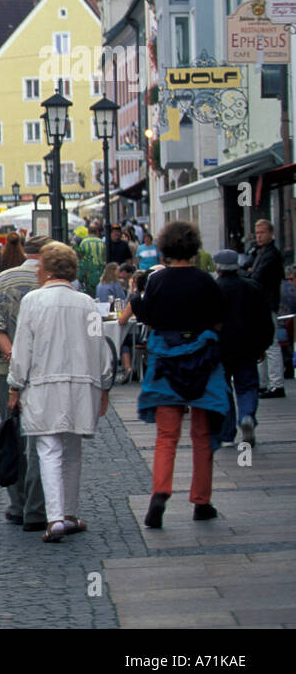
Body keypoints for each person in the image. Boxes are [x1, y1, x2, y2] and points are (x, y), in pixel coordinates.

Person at [6, 243, 109, 543]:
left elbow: (22, 347)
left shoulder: (33, 301)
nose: (37, 272)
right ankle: (70, 513)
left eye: (39, 267)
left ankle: (54, 519)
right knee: (72, 450)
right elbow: (99, 346)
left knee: (49, 450)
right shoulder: (87, 303)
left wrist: (15, 385)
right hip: (80, 384)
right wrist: (104, 385)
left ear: (48, 270)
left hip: (44, 384)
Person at [133, 221, 229, 528]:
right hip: (202, 362)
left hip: (166, 362)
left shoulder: (157, 281)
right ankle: (201, 501)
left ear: (164, 248)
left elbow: (149, 319)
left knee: (166, 435)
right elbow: (219, 321)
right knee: (202, 435)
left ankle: (160, 492)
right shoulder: (206, 281)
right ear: (193, 247)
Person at [0, 234, 52, 531]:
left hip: (5, 368)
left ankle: (17, 504)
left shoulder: (3, 279)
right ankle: (37, 508)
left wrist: (13, 356)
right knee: (41, 440)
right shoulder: (53, 282)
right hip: (45, 370)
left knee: (13, 435)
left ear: (25, 251)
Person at [214, 250, 272, 447]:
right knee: (247, 386)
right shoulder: (253, 287)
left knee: (223, 389)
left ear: (218, 268)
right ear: (237, 265)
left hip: (220, 348)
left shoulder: (213, 289)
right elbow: (265, 320)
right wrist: (263, 345)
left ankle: (227, 434)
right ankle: (246, 415)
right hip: (247, 347)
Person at [245, 218, 285, 399]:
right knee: (261, 344)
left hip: (267, 303)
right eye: (257, 233)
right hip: (260, 303)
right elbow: (250, 271)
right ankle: (263, 382)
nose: (259, 236)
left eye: (262, 232)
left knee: (271, 344)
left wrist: (249, 273)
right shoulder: (259, 252)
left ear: (271, 233)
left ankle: (276, 384)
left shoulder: (271, 254)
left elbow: (256, 276)